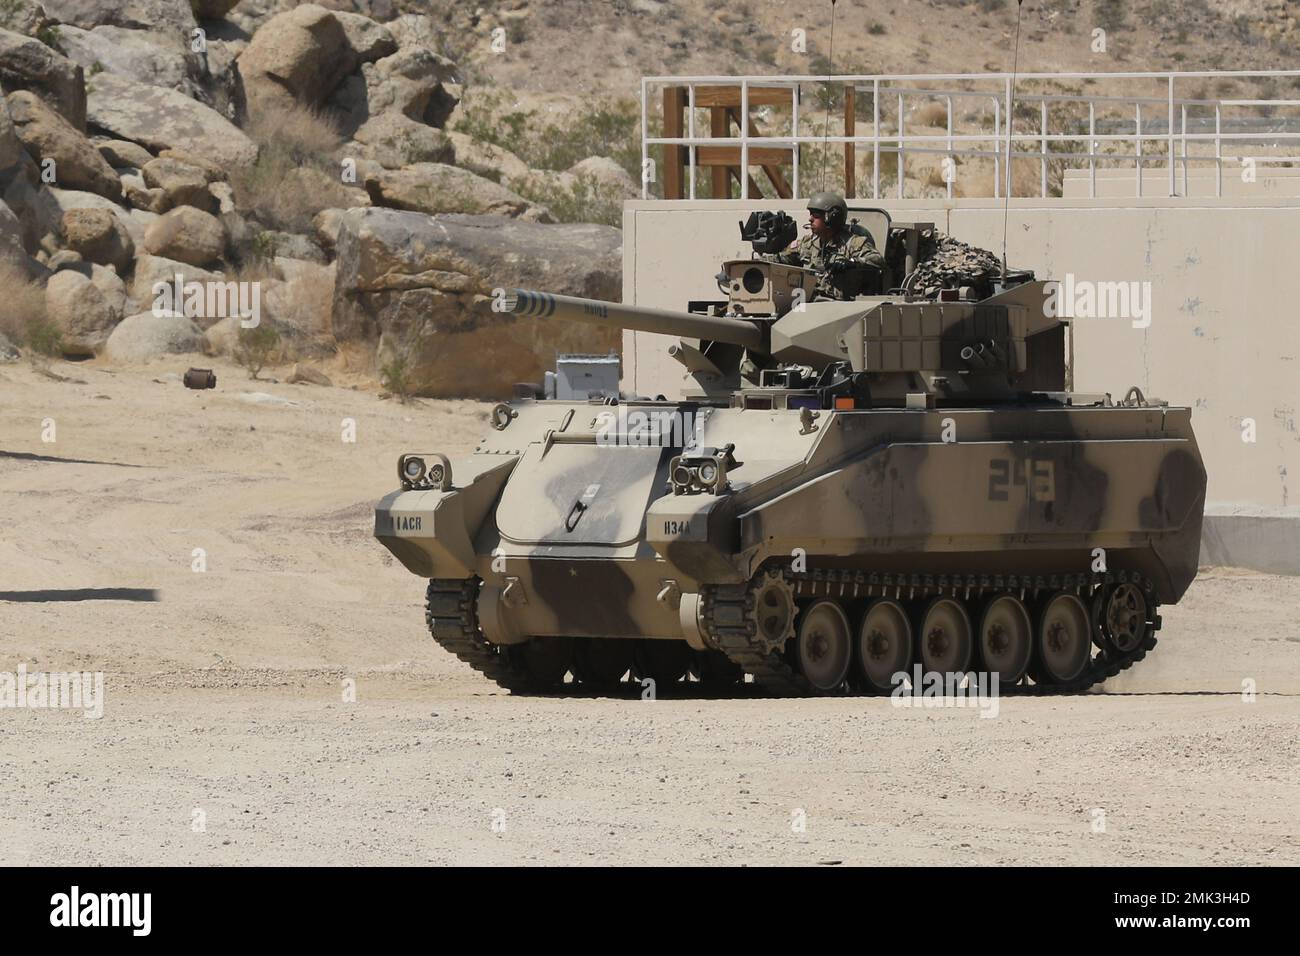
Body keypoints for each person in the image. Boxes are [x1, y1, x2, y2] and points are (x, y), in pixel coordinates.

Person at [770, 191, 886, 300]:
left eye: (816, 216)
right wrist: (760, 261)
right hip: (809, 304)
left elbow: (878, 260)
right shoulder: (807, 244)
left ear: (832, 218)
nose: (810, 219)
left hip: (841, 308)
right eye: (811, 215)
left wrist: (851, 262)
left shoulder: (854, 243)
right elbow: (782, 258)